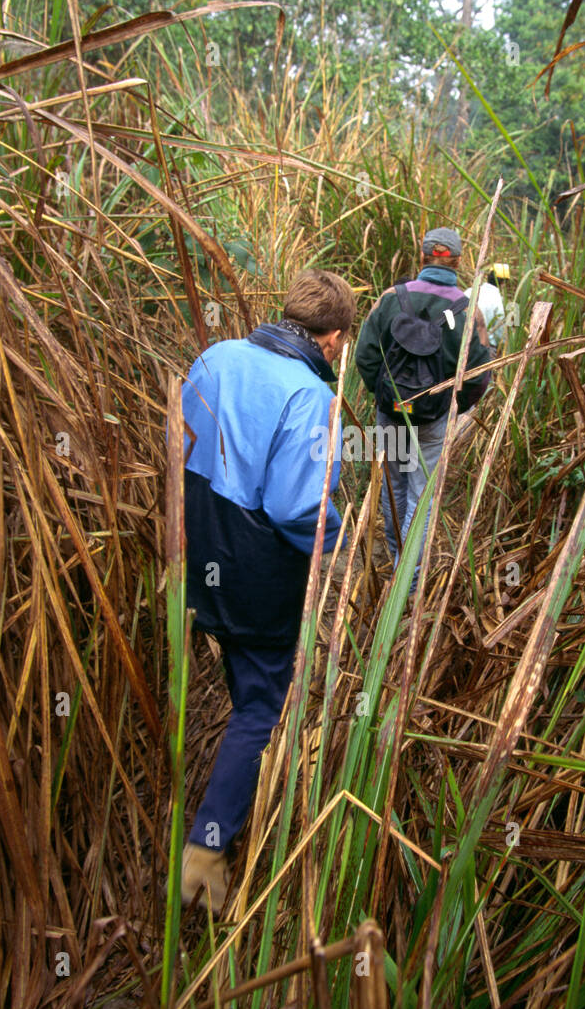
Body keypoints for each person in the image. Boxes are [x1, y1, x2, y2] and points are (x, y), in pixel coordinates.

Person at [176, 267, 356, 908]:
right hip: (255, 573)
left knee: (241, 680)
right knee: (263, 707)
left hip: (200, 558)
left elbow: (185, 445)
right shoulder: (311, 397)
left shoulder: (215, 356)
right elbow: (293, 508)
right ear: (333, 338)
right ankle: (206, 851)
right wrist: (342, 546)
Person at [354, 227, 491, 593]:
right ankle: (409, 586)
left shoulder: (390, 298)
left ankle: (399, 559)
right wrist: (452, 408)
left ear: (422, 256)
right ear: (458, 261)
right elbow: (479, 376)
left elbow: (365, 356)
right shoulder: (468, 310)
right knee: (421, 496)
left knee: (393, 487)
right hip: (435, 419)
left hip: (391, 413)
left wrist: (385, 396)